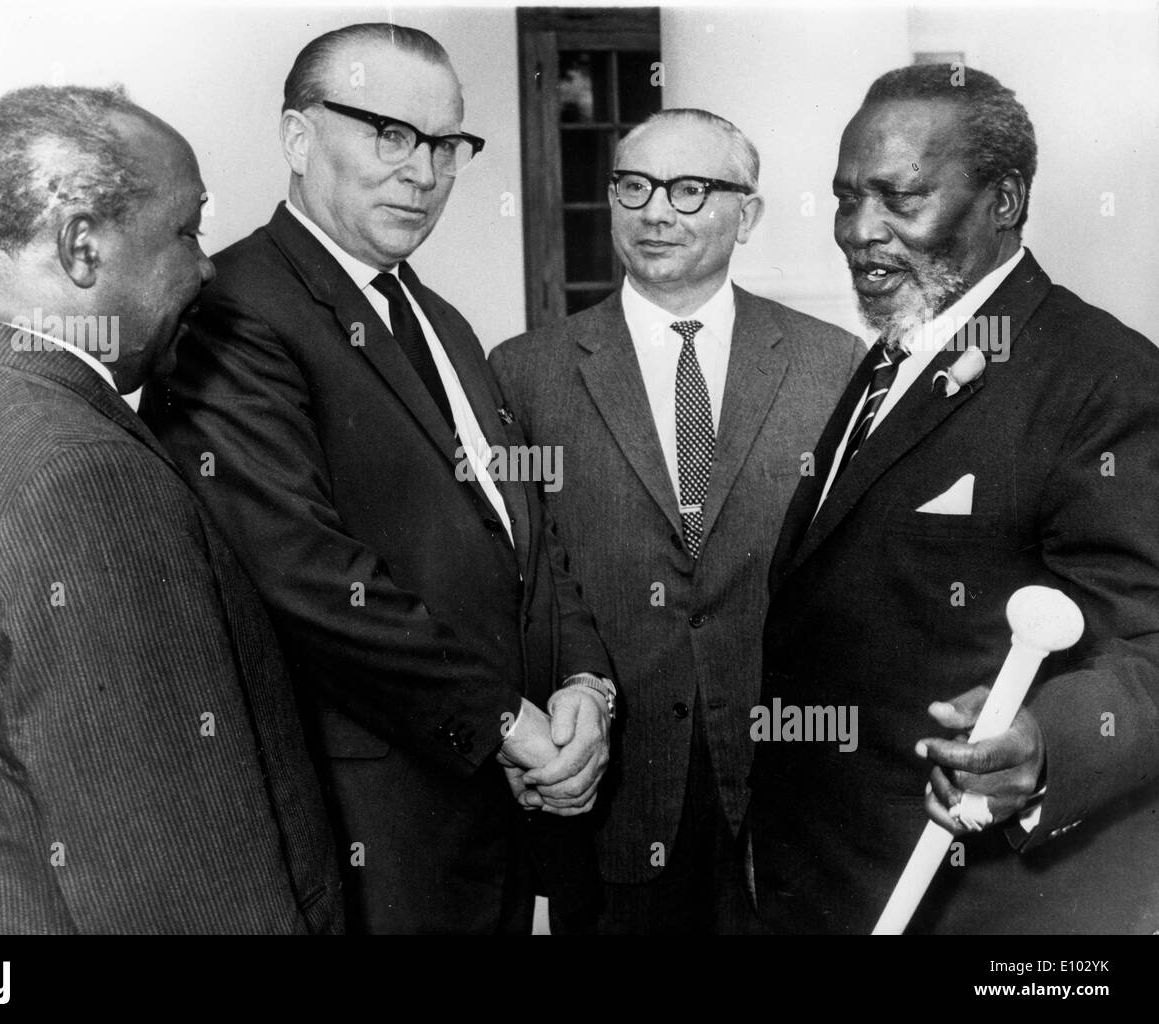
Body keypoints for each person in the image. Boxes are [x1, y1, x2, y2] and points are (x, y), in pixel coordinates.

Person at [140, 23, 614, 934]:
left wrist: (585, 688)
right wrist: (504, 722)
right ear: (296, 137)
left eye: (443, 145)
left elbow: (527, 540)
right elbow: (306, 571)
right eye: (388, 134)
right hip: (371, 827)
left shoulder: (440, 319)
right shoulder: (235, 310)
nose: (422, 172)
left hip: (498, 815)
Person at [0, 85, 342, 934]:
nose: (206, 266)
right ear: (82, 244)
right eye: (187, 229)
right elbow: (186, 893)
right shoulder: (84, 476)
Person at [749, 64, 1159, 934]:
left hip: (977, 903)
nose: (860, 233)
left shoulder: (1105, 379)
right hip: (831, 880)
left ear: (1004, 199)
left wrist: (1049, 742)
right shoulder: (901, 351)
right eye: (846, 198)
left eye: (900, 198)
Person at [490, 109, 863, 933]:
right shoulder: (525, 373)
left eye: (691, 190)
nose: (656, 211)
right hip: (614, 797)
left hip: (789, 794)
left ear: (748, 214)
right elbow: (531, 570)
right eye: (634, 186)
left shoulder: (832, 365)